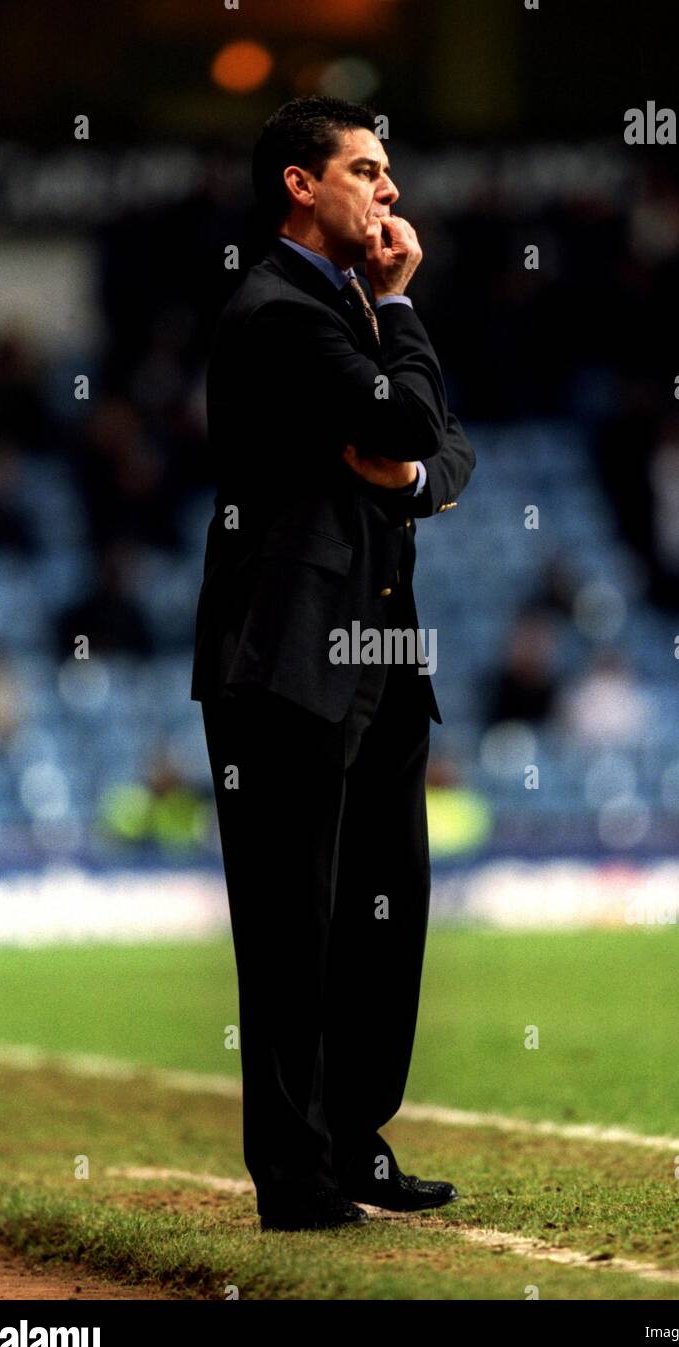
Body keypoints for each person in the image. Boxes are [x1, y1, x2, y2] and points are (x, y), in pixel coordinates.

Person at [190, 97, 475, 1231]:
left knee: (382, 916)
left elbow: (441, 447)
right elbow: (415, 418)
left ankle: (352, 1139)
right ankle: (296, 1180)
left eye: (390, 169)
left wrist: (410, 480)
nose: (390, 189)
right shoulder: (277, 312)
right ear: (300, 186)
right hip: (286, 662)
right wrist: (403, 316)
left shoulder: (351, 309)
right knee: (291, 926)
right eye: (366, 168)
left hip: (382, 655)